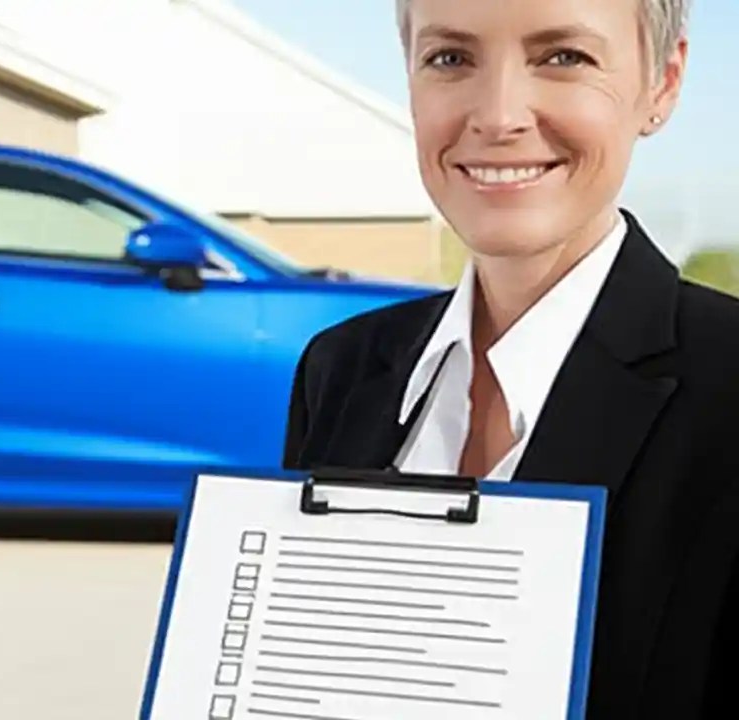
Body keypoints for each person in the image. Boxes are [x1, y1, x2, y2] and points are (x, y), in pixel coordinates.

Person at [282, 0, 739, 717]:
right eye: (450, 58)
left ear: (663, 81)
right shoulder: (340, 369)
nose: (498, 115)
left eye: (563, 57)